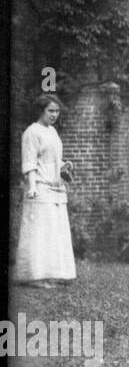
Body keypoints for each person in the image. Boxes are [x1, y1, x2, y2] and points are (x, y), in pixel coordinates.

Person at [15, 94, 77, 286]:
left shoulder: (52, 132)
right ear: (41, 110)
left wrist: (63, 165)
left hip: (55, 188)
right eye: (50, 110)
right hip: (40, 188)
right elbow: (30, 163)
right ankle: (34, 277)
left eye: (57, 111)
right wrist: (32, 187)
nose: (54, 114)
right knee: (39, 232)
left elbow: (52, 160)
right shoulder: (31, 133)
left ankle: (54, 273)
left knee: (54, 232)